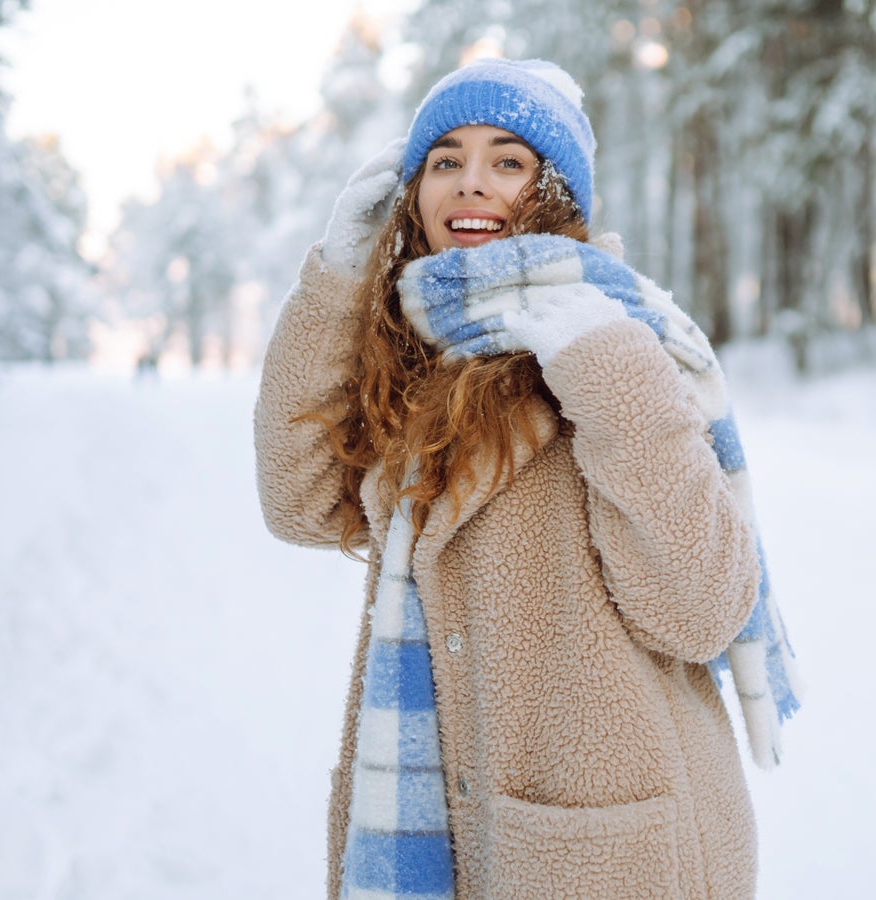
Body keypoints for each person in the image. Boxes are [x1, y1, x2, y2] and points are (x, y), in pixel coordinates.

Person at [255, 58, 797, 900]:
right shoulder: (415, 360)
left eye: (507, 161)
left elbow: (700, 609)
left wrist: (604, 366)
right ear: (413, 196)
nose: (471, 182)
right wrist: (337, 279)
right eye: (446, 161)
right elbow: (299, 503)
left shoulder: (622, 339)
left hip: (610, 853)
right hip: (459, 839)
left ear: (555, 194)